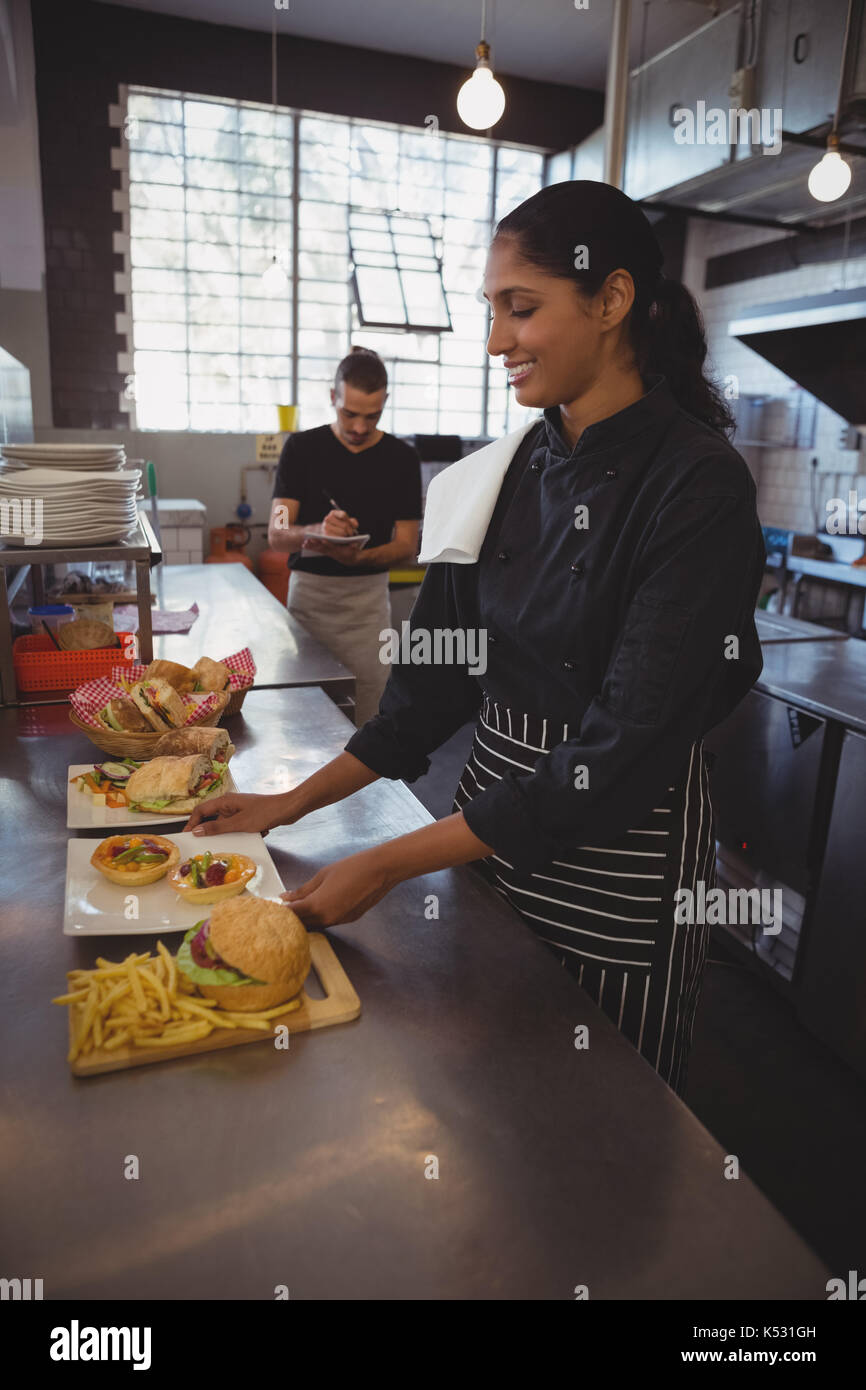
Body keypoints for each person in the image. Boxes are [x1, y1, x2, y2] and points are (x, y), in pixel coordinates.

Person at [188, 180, 765, 1097]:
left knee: (604, 1122)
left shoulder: (697, 487)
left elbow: (622, 750)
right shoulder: (496, 476)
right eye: (491, 310)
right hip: (483, 829)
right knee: (487, 1098)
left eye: (520, 308)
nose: (495, 340)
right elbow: (428, 694)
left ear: (612, 301)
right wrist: (289, 806)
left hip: (620, 855)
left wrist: (380, 862)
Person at [268, 347, 422, 726]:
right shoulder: (300, 449)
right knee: (304, 718)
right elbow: (277, 531)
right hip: (309, 604)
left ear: (385, 402)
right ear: (332, 396)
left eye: (372, 417)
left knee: (368, 720)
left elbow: (407, 545)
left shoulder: (402, 459)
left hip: (367, 610)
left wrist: (360, 558)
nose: (358, 428)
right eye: (349, 414)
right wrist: (316, 531)